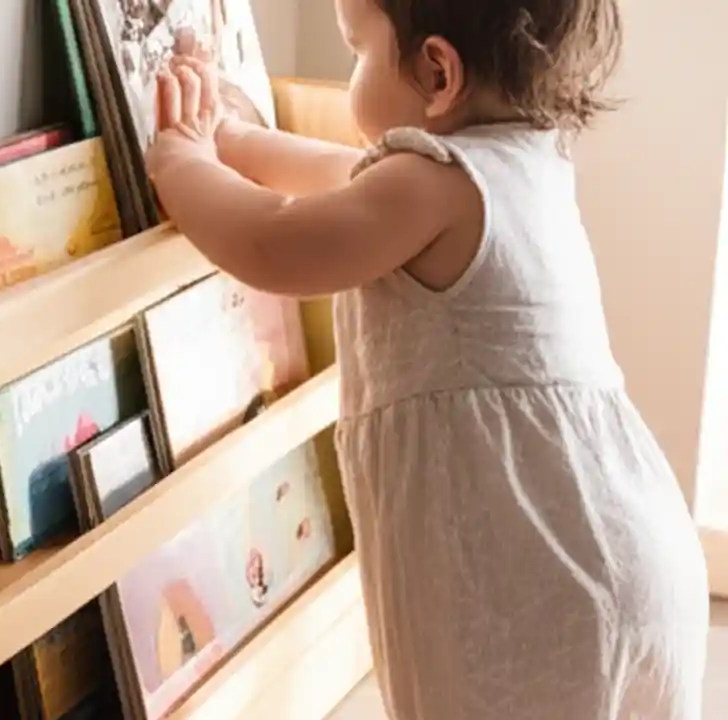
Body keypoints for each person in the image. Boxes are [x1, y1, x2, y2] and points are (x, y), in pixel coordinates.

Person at [143, 0, 710, 717]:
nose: (351, 68)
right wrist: (233, 137)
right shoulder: (519, 164)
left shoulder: (429, 188)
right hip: (631, 551)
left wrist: (182, 161)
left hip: (537, 586)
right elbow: (343, 176)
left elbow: (272, 242)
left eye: (357, 51)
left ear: (437, 71)